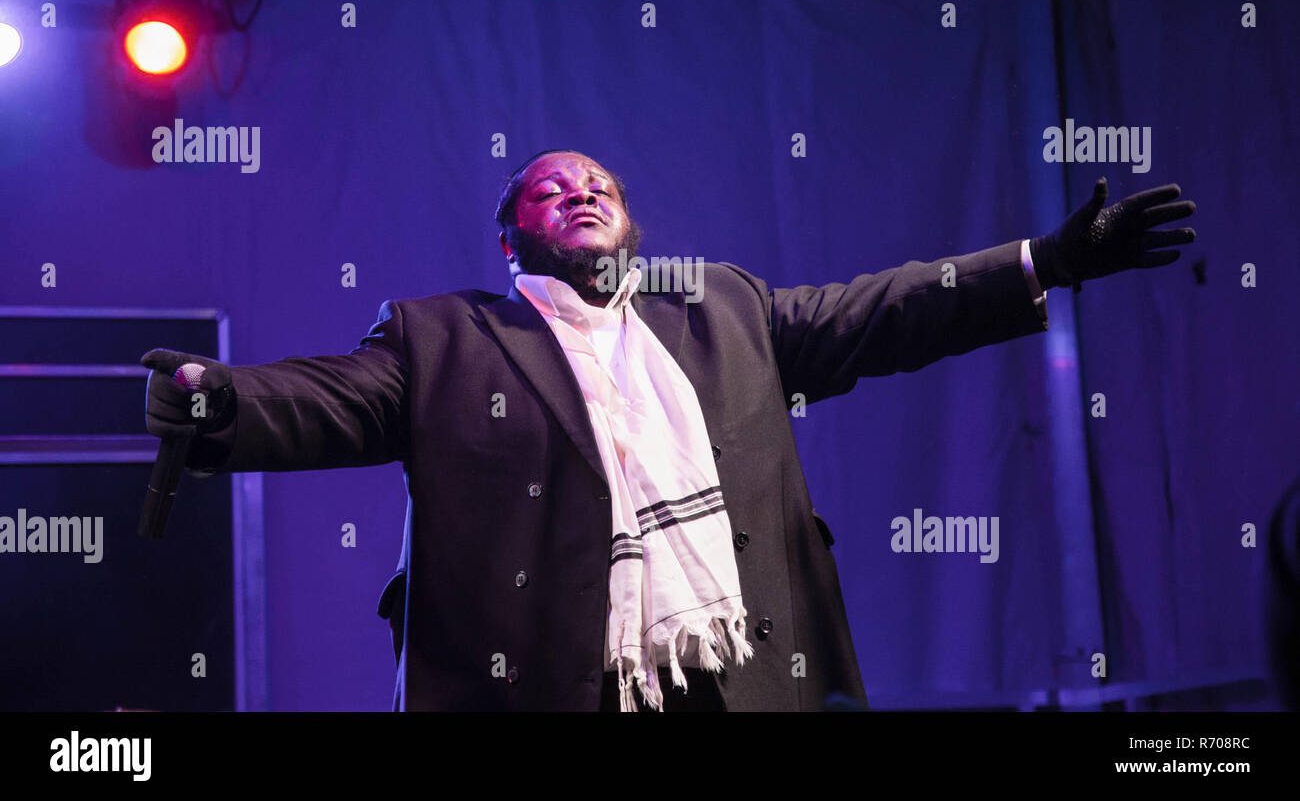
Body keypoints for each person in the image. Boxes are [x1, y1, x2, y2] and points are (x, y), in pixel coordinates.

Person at [142, 149, 1197, 711]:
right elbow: (329, 398)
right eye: (551, 187)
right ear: (513, 235)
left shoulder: (723, 312)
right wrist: (218, 397)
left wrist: (1040, 262)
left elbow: (884, 310)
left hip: (734, 680)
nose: (583, 189)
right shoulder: (448, 339)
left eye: (598, 180)